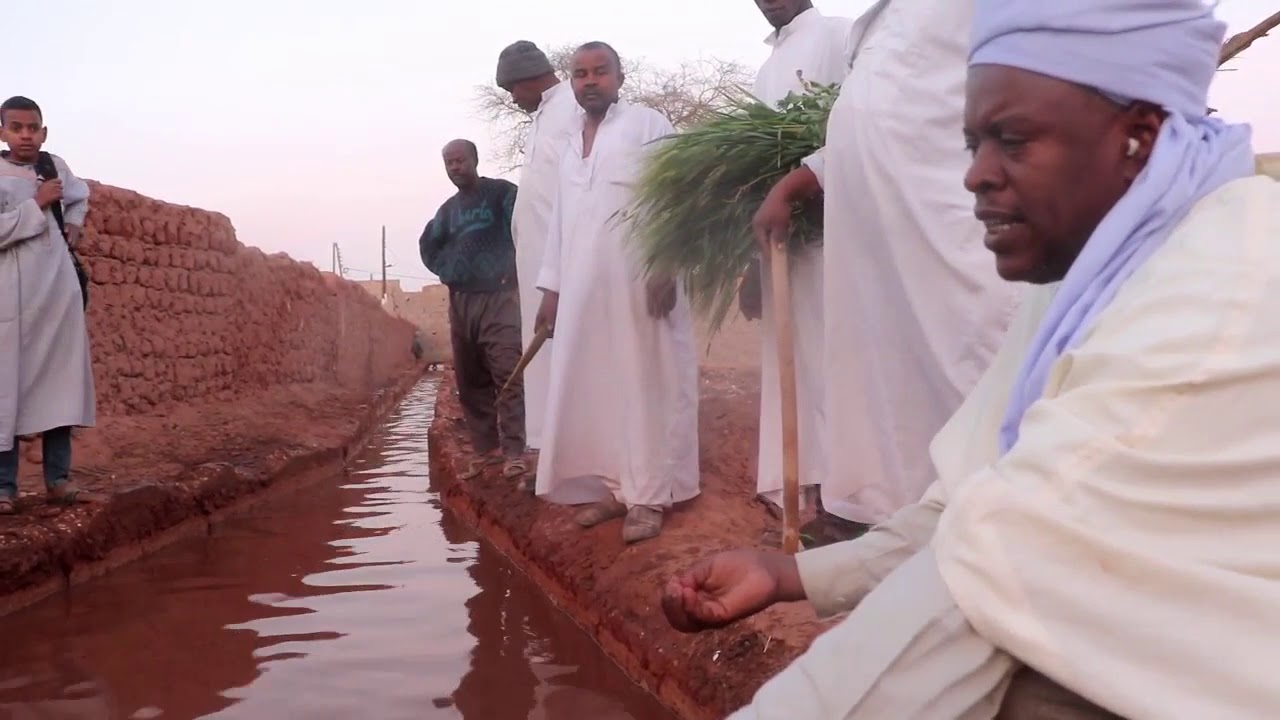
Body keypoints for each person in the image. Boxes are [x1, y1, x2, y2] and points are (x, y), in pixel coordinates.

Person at [663, 1, 1279, 717]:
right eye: (971, 143)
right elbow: (970, 501)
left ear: (1138, 135)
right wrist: (791, 575)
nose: (975, 175)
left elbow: (987, 577)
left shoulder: (1214, 304)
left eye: (1011, 141)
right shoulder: (1081, 277)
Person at [752, 0, 1020, 542]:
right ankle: (876, 516)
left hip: (947, 236)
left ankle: (992, 531)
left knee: (973, 379)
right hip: (874, 247)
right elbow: (874, 120)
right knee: (878, 381)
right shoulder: (880, 21)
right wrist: (795, 183)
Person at [533, 42, 700, 544]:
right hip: (584, 289)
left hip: (640, 281)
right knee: (601, 384)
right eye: (580, 74)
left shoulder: (648, 125)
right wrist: (552, 289)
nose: (590, 81)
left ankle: (649, 496)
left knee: (647, 382)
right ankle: (617, 487)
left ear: (620, 77)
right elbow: (562, 222)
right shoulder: (570, 144)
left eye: (600, 71)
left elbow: (679, 194)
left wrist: (667, 261)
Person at [739, 0, 858, 520]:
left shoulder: (840, 35)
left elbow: (857, 132)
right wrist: (752, 265)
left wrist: (808, 186)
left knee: (841, 363)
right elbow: (758, 176)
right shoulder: (767, 70)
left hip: (840, 236)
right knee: (798, 365)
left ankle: (850, 502)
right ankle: (806, 498)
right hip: (788, 244)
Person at [0, 95, 100, 513]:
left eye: (33, 128)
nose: (26, 135)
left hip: (57, 290)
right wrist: (36, 204)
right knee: (7, 386)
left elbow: (79, 195)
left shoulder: (54, 166)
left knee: (60, 385)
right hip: (12, 294)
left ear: (44, 132)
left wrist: (73, 223)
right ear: (2, 132)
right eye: (16, 127)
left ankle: (58, 481)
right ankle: (4, 488)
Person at [419, 139, 528, 481]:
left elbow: (526, 229)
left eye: (460, 160)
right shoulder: (448, 211)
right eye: (449, 163)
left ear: (475, 160)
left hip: (499, 297)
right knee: (470, 379)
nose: (455, 167)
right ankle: (486, 451)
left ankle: (515, 452)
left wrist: (515, 268)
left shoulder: (502, 194)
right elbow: (427, 245)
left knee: (507, 371)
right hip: (461, 300)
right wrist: (448, 271)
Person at [496, 40, 580, 454]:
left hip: (564, 260)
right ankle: (548, 451)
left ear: (529, 78)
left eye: (513, 88)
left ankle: (570, 451)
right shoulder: (542, 117)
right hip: (537, 264)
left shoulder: (573, 109)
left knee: (569, 356)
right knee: (544, 358)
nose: (513, 98)